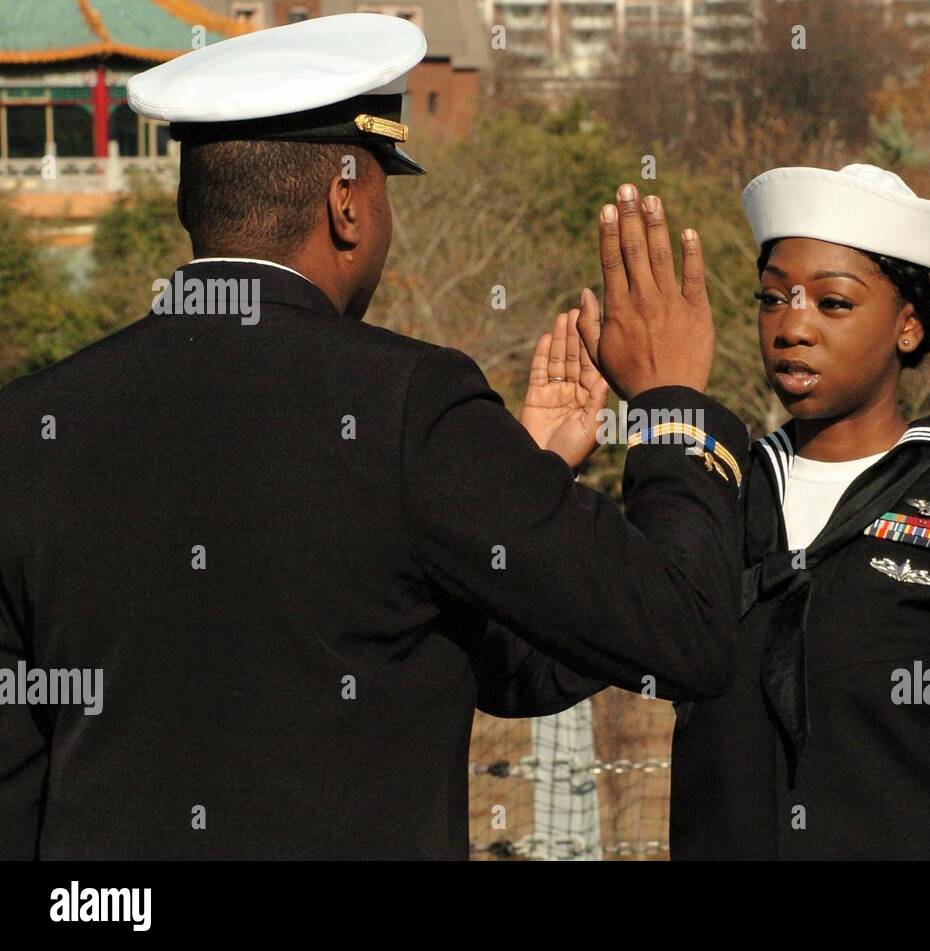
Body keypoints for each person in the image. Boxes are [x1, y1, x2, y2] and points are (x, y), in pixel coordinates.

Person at [0, 13, 745, 860]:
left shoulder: (29, 425)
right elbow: (684, 631)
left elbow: (476, 649)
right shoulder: (409, 404)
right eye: (384, 190)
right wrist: (670, 403)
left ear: (187, 200)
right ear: (346, 202)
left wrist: (525, 481)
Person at [524, 164, 930, 859]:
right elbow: (529, 669)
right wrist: (538, 473)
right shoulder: (712, 502)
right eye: (772, 300)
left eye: (833, 303)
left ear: (910, 326)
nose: (792, 326)